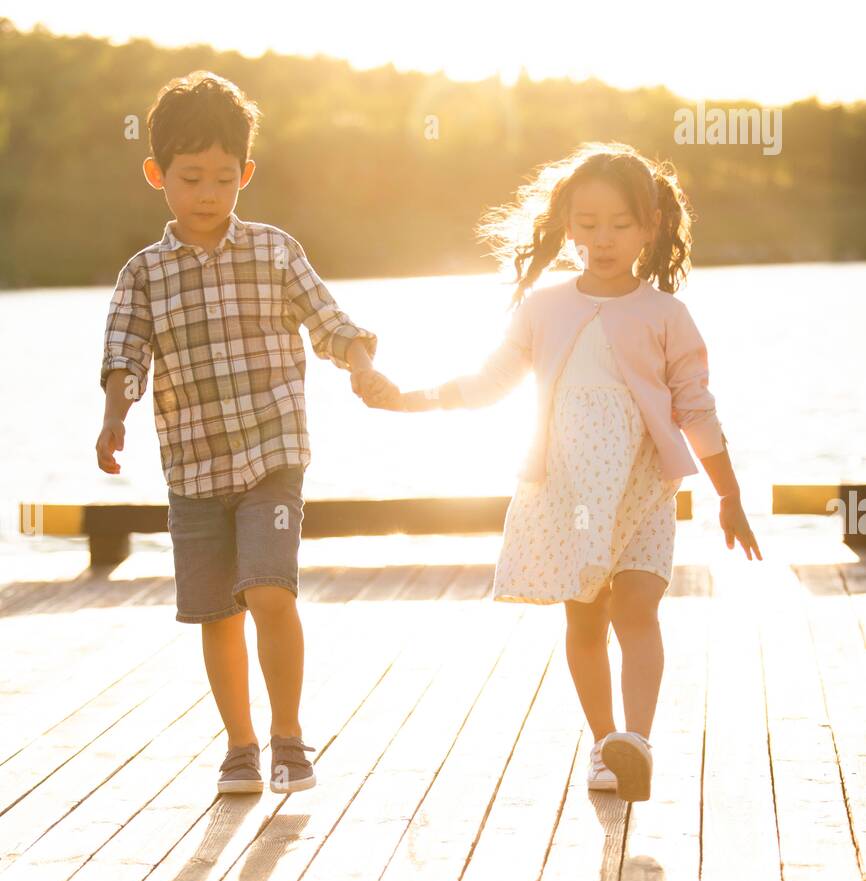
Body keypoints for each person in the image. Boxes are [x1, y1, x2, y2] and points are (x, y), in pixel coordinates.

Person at [356, 141, 763, 802]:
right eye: (587, 222)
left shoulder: (666, 316)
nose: (601, 239)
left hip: (642, 489)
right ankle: (605, 745)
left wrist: (729, 495)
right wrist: (411, 397)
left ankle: (637, 740)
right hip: (568, 490)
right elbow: (491, 383)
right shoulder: (544, 307)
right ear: (567, 223)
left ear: (651, 225)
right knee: (583, 621)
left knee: (638, 607)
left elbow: (697, 408)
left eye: (620, 224)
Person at [96, 71, 382, 797]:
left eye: (225, 179)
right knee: (215, 612)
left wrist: (357, 359)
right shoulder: (144, 274)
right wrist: (114, 415)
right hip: (192, 468)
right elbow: (124, 355)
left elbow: (329, 322)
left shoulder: (275, 251)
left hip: (271, 455)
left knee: (268, 591)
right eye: (191, 178)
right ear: (156, 173)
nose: (208, 194)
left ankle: (289, 738)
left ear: (245, 175)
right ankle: (241, 747)